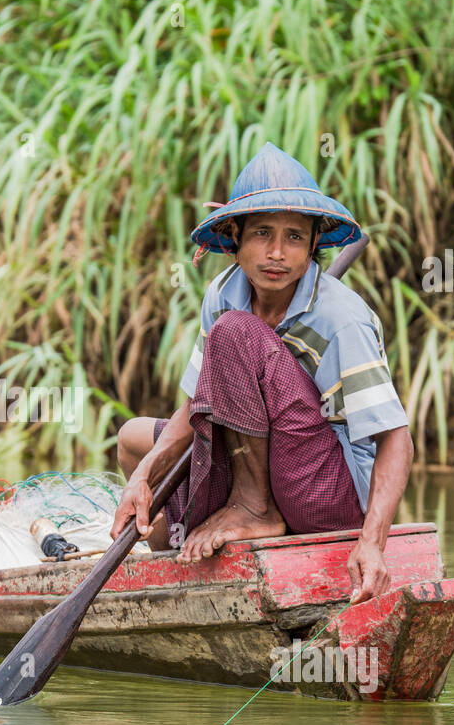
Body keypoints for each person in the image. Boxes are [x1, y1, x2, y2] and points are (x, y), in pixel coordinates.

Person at [110, 143, 414, 604]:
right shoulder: (225, 292)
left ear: (314, 244)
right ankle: (175, 571)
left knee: (235, 333)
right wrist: (145, 475)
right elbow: (196, 405)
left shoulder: (341, 318)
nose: (276, 253)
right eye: (262, 234)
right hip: (257, 463)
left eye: (294, 237)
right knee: (134, 439)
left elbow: (396, 437)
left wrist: (371, 543)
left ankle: (255, 510)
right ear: (234, 237)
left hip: (326, 495)